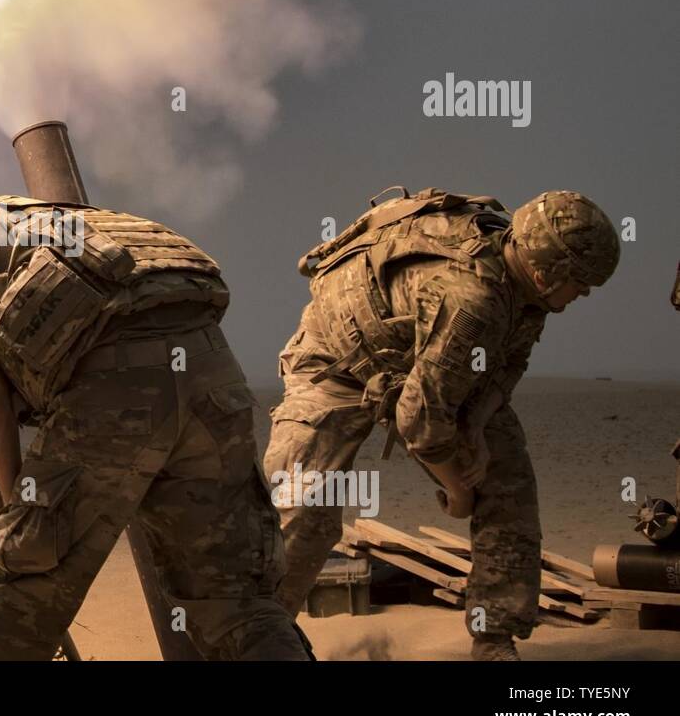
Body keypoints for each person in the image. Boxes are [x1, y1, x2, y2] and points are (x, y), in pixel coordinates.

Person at [0, 174, 313, 661]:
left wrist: (19, 506)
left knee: (21, 597)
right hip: (214, 383)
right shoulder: (67, 222)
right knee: (235, 600)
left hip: (118, 393)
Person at [261, 187, 619, 660]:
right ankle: (259, 638)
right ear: (546, 270)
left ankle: (494, 637)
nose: (585, 292)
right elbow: (419, 420)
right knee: (305, 507)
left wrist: (476, 429)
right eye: (581, 280)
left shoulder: (529, 290)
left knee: (508, 485)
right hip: (336, 363)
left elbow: (507, 366)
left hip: (425, 363)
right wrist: (458, 490)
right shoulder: (474, 298)